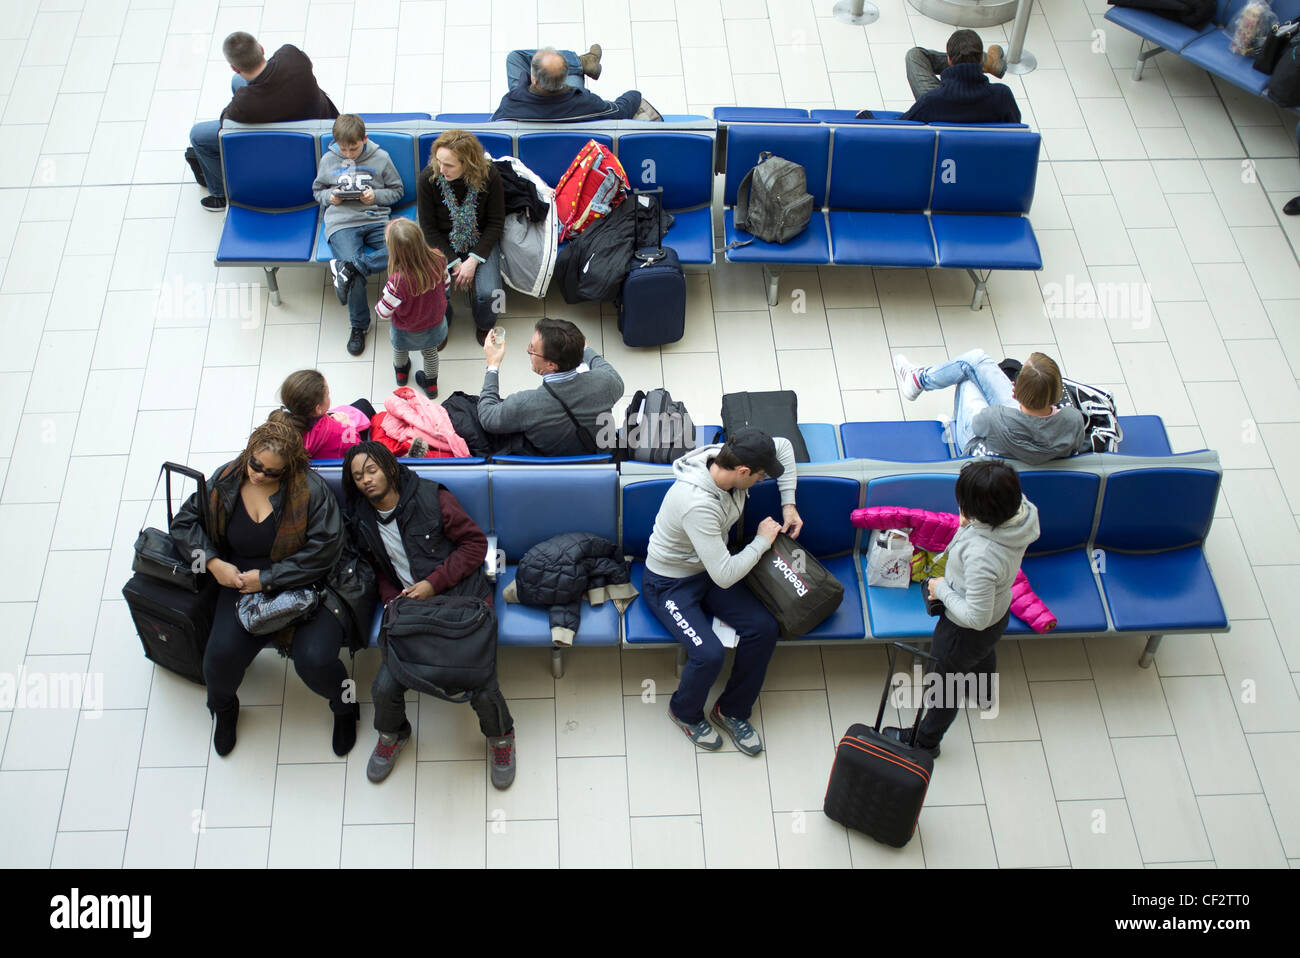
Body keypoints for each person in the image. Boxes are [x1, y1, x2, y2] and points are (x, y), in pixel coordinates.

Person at [171, 421, 372, 758]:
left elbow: (325, 552)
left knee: (315, 661)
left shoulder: (312, 491)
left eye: (271, 472)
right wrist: (212, 562)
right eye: (255, 464)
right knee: (217, 663)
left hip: (309, 583)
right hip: (240, 581)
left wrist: (267, 578)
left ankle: (345, 705)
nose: (259, 475)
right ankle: (224, 709)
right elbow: (184, 522)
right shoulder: (227, 479)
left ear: (289, 468)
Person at [341, 442, 516, 787]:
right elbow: (378, 568)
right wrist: (394, 600)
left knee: (481, 684)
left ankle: (501, 737)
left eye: (372, 470)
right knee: (383, 686)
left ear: (390, 468)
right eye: (358, 476)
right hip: (411, 606)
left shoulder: (430, 497)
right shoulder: (362, 518)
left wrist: (433, 584)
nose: (366, 480)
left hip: (461, 598)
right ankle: (393, 733)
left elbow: (475, 546)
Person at [641, 428, 802, 755]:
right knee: (708, 654)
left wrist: (789, 505)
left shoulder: (727, 453)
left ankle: (731, 710)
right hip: (670, 583)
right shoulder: (697, 504)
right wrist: (762, 541)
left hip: (707, 569)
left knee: (763, 628)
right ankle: (683, 712)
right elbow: (726, 575)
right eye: (759, 477)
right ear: (742, 471)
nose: (760, 481)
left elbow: (782, 445)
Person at [882, 460, 1040, 758]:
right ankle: (983, 693)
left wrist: (939, 587)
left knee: (944, 686)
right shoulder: (1023, 512)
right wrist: (972, 521)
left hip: (963, 628)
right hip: (999, 610)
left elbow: (975, 618)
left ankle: (925, 741)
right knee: (982, 652)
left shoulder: (983, 554)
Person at [189, 32, 339, 211]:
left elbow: (226, 123)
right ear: (261, 49)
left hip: (286, 148)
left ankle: (220, 194)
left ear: (235, 67)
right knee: (239, 83)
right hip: (323, 121)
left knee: (198, 135)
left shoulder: (244, 104)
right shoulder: (291, 55)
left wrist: (244, 100)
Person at [313, 114, 405, 357]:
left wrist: (375, 196)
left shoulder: (381, 157)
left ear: (365, 139)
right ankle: (359, 326)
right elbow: (317, 191)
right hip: (342, 222)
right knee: (354, 279)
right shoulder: (328, 159)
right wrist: (330, 196)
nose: (350, 153)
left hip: (375, 218)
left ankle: (350, 267)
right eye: (344, 149)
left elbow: (397, 191)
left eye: (354, 147)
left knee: (402, 253)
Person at [893, 350, 1086, 465]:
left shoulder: (996, 417)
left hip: (986, 454)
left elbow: (978, 427)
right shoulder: (1073, 420)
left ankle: (919, 380)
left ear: (1015, 389)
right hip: (1030, 448)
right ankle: (917, 379)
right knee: (976, 360)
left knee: (968, 380)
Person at [478, 317, 623, 456]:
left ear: (551, 365)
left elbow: (487, 417)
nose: (527, 350)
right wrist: (580, 347)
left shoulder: (525, 404)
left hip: (552, 464)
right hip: (602, 460)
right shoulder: (605, 383)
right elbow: (612, 375)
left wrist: (493, 365)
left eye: (532, 349)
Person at [416, 130, 505, 346]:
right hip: (442, 242)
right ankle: (442, 322)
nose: (441, 169)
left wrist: (473, 260)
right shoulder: (429, 177)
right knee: (435, 290)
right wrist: (454, 262)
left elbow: (496, 223)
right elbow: (428, 228)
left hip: (481, 239)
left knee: (495, 293)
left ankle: (486, 323)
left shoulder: (490, 175)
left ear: (468, 163)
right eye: (439, 162)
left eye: (449, 165)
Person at [857, 30, 1018, 124]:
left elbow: (901, 128)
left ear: (948, 60)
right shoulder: (1002, 95)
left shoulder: (930, 101)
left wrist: (867, 119)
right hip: (980, 153)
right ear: (979, 60)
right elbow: (1015, 128)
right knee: (916, 55)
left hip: (942, 104)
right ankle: (987, 62)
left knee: (915, 55)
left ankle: (978, 61)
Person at [375, 218, 451, 401]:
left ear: (394, 251)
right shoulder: (438, 258)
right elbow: (446, 284)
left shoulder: (397, 281)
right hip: (434, 324)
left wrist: (381, 302)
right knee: (430, 353)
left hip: (405, 329)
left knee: (400, 351)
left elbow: (383, 312)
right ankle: (431, 385)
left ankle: (401, 375)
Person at [491, 45, 642, 121]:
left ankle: (583, 62)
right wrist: (634, 94)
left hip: (526, 106)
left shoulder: (510, 105)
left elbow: (492, 126)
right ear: (565, 78)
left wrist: (520, 90)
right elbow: (620, 110)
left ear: (534, 79)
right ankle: (582, 63)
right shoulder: (586, 102)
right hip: (570, 108)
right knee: (515, 56)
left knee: (515, 57)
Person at [272, 369, 376, 460]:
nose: (329, 395)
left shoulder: (277, 422)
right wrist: (348, 426)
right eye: (327, 394)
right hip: (344, 451)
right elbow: (358, 449)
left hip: (317, 455)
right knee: (364, 404)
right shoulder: (340, 432)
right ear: (318, 409)